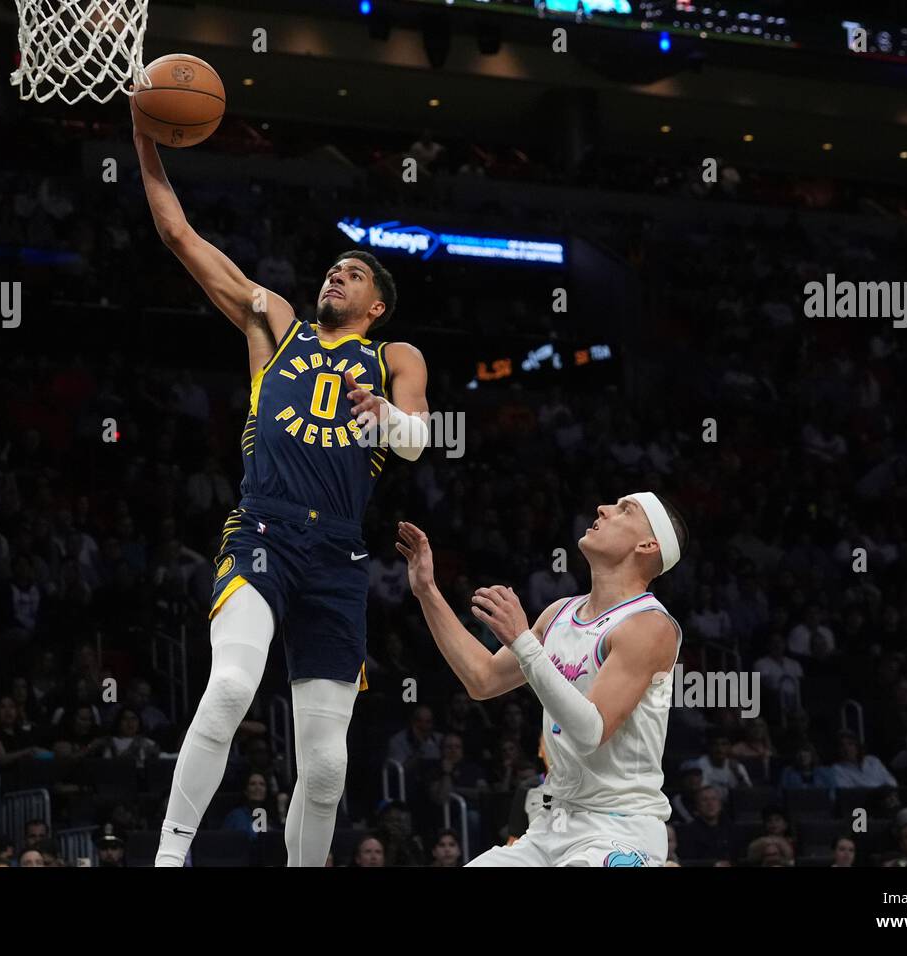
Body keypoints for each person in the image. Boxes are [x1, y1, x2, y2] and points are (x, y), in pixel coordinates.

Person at [136, 108, 432, 869]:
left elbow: (419, 437)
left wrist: (387, 415)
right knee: (232, 685)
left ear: (375, 306)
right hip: (264, 531)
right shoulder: (276, 325)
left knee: (328, 766)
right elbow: (180, 238)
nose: (336, 274)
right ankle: (170, 858)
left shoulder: (394, 353)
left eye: (354, 273)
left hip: (338, 556)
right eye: (333, 267)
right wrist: (144, 138)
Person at [399, 491, 689, 866]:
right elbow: (482, 679)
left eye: (624, 510)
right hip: (550, 826)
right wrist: (427, 591)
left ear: (649, 544)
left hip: (618, 830)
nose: (602, 508)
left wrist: (522, 641)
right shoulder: (560, 613)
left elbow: (590, 731)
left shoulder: (650, 625)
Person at [830, 731, 897, 789]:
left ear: (857, 746)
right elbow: (850, 792)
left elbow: (891, 782)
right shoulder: (837, 769)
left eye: (850, 744)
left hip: (886, 797)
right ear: (837, 750)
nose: (846, 749)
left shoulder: (873, 761)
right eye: (842, 746)